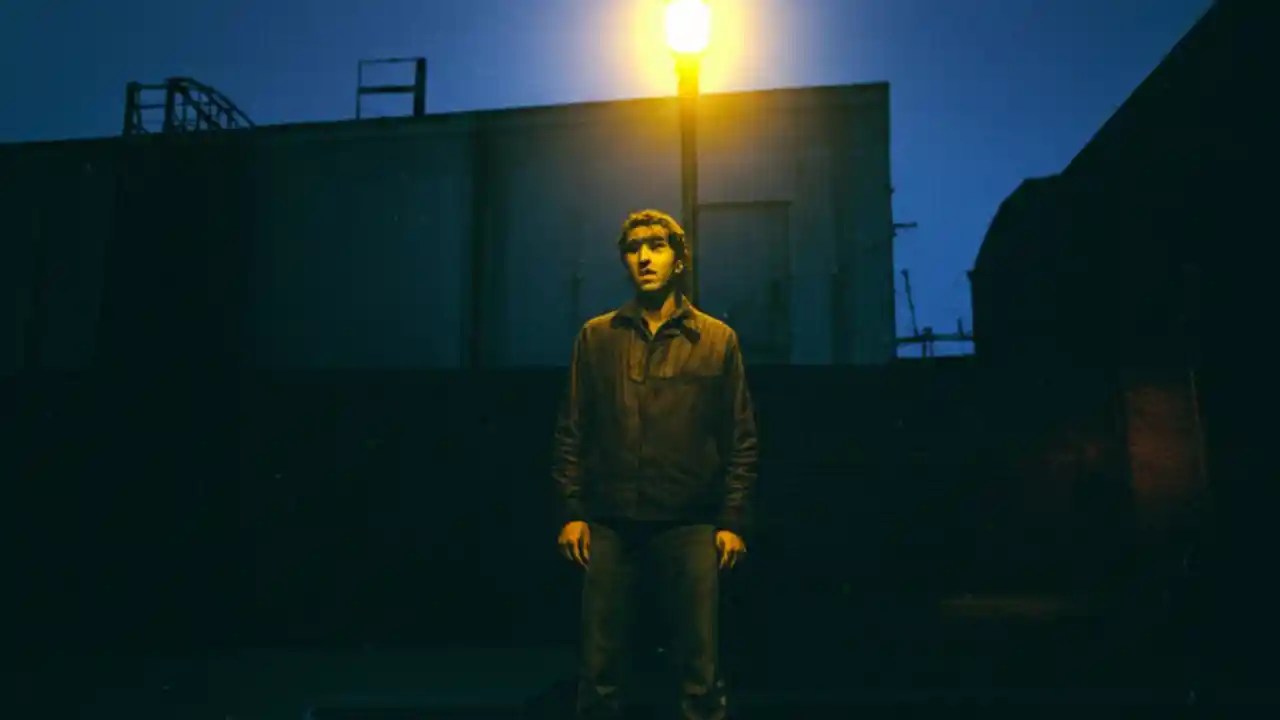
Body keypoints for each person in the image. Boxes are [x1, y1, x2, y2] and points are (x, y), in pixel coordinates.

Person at [551, 209, 759, 719]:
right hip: (610, 523)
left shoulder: (715, 339)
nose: (644, 256)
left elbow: (740, 437)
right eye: (633, 246)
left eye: (657, 245)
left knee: (700, 671)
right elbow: (571, 429)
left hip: (689, 522)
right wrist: (572, 510)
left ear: (679, 257)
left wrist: (732, 521)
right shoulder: (597, 337)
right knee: (599, 671)